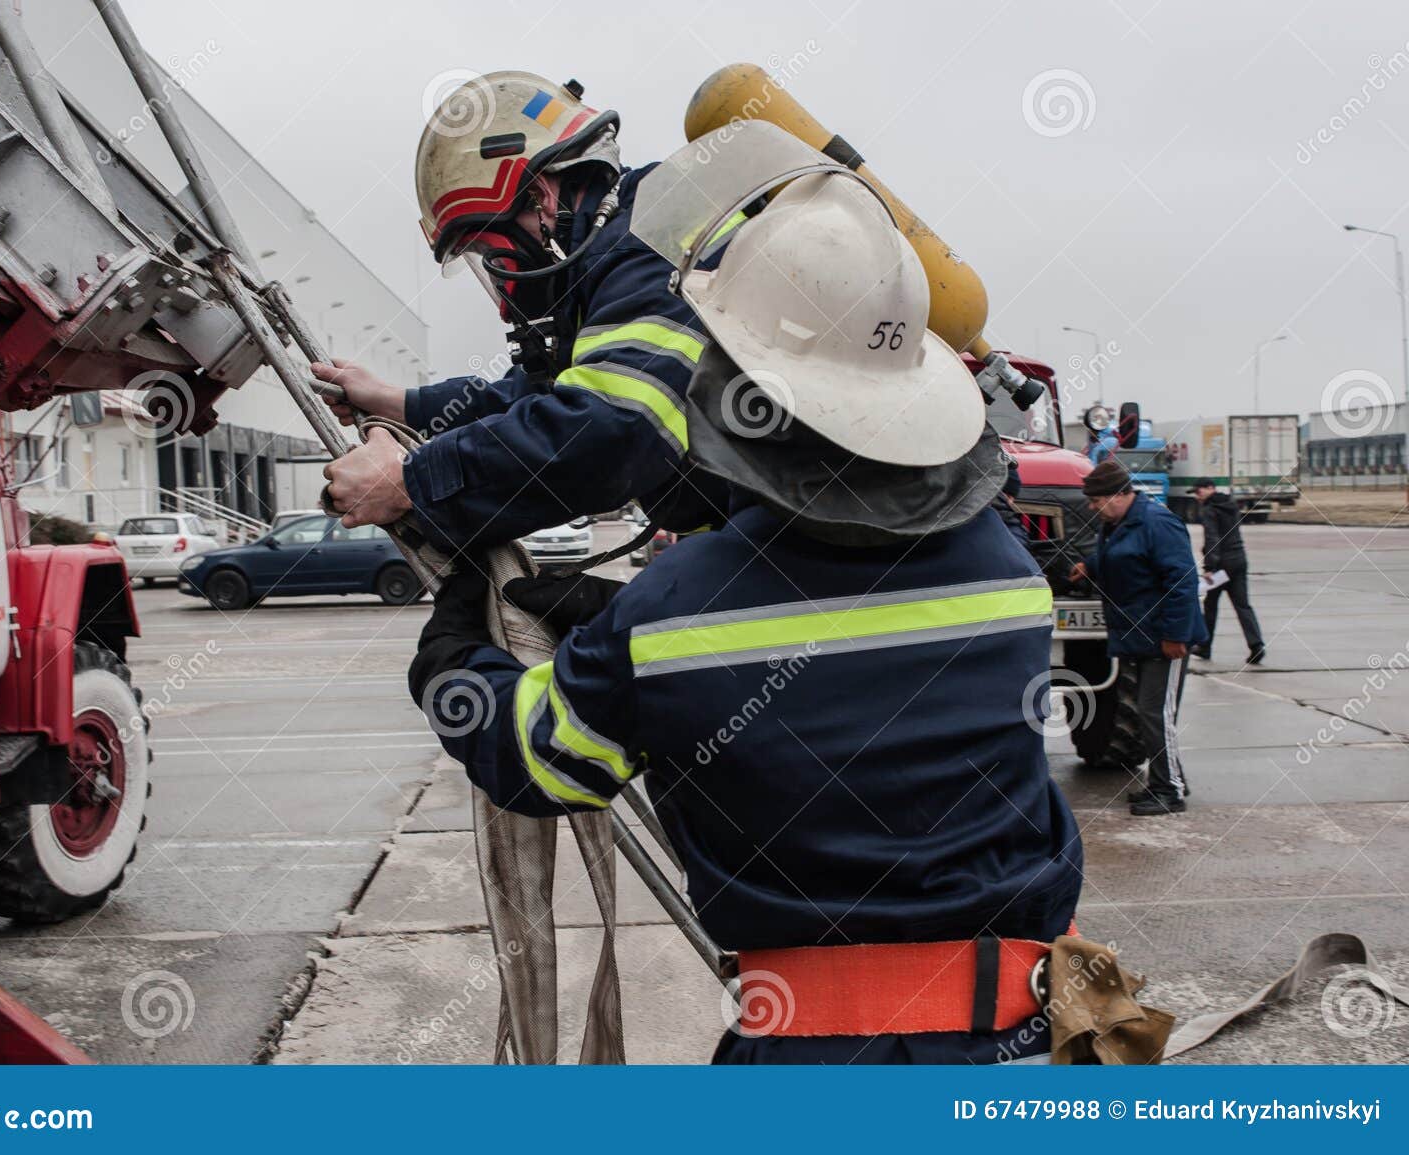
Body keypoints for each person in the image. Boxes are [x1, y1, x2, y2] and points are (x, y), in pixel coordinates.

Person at [409, 142, 1084, 1064]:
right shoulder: (1008, 575)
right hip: (1026, 1043)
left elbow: (539, 758)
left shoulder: (674, 615)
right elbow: (839, 640)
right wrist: (629, 625)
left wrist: (454, 650)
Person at [317, 72, 727, 551]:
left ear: (539, 197)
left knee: (609, 630)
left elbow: (614, 429)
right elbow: (537, 392)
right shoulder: (618, 253)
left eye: (491, 254)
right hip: (762, 542)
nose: (504, 284)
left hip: (798, 559)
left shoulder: (660, 235)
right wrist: (400, 403)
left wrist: (412, 480)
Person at [1068, 458, 1208, 816]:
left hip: (1165, 639)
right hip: (1142, 636)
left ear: (1119, 494)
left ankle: (1169, 791)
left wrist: (1176, 636)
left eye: (1097, 500)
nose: (1092, 506)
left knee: (1154, 712)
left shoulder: (1158, 524)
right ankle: (1168, 778)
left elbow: (1182, 583)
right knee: (1150, 714)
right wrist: (1091, 565)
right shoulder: (1118, 524)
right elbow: (1123, 558)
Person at [1191, 477, 1265, 665]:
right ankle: (1256, 645)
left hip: (1222, 564)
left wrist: (1209, 567)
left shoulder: (1209, 509)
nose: (1197, 496)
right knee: (1242, 605)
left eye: (1199, 491)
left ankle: (1205, 646)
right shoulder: (1230, 504)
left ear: (1210, 488)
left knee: (1210, 605)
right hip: (1239, 559)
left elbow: (1212, 538)